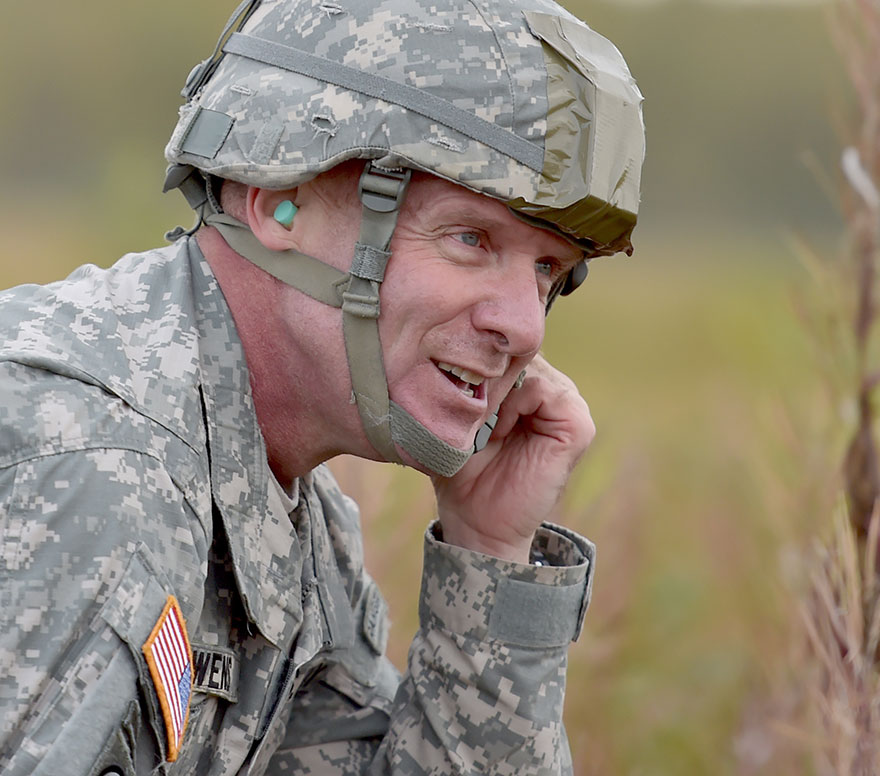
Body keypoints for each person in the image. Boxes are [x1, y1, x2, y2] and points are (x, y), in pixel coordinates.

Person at [0, 0, 644, 772]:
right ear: (281, 200)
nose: (525, 327)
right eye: (471, 238)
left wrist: (491, 550)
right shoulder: (89, 464)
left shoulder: (295, 510)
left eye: (546, 269)